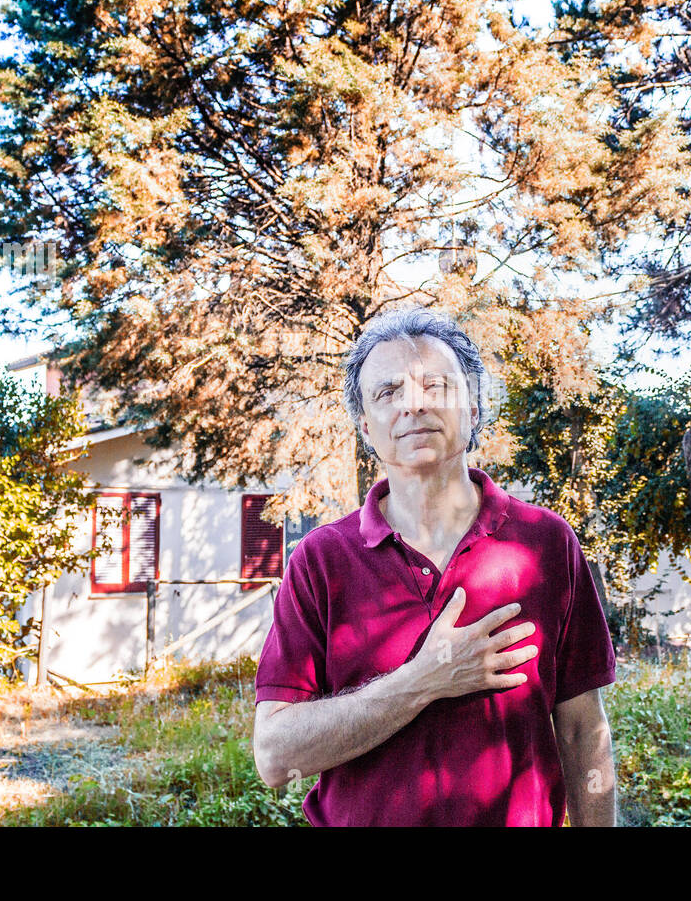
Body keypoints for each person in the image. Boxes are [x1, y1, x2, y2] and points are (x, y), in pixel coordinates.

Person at [251, 307, 617, 826]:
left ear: (473, 409)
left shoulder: (546, 544)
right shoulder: (320, 560)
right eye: (388, 392)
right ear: (365, 426)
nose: (413, 405)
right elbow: (276, 757)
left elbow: (584, 732)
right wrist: (423, 680)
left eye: (436, 386)